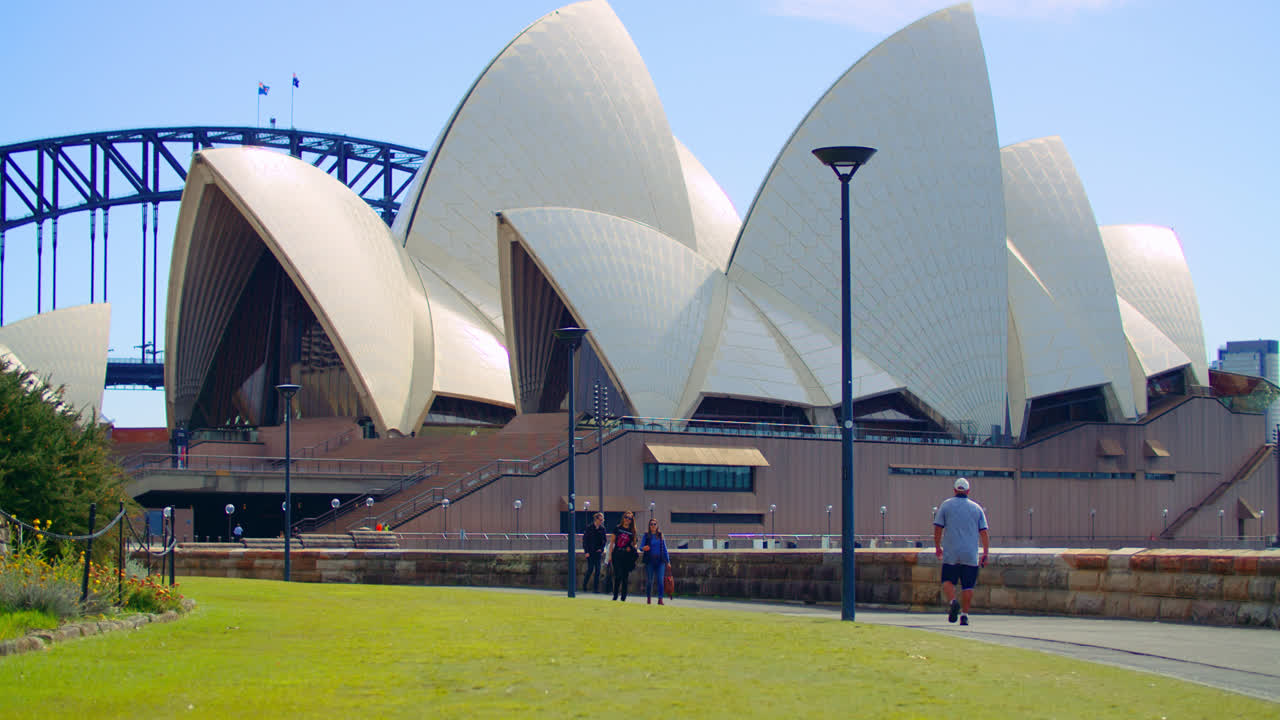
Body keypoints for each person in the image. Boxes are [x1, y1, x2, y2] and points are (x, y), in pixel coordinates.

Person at [933, 477, 990, 626]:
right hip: (970, 553)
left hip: (951, 552)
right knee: (968, 586)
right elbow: (983, 532)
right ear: (968, 491)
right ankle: (964, 615)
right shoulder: (976, 508)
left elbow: (938, 528)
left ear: (954, 490)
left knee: (947, 581)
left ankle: (953, 602)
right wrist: (985, 553)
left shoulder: (946, 505)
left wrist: (938, 546)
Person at [607, 510, 639, 601]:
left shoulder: (632, 531)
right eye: (626, 517)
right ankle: (615, 595)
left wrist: (633, 548)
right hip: (617, 553)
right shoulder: (617, 528)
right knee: (617, 576)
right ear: (623, 518)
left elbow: (635, 543)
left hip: (626, 555)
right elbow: (612, 542)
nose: (627, 520)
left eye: (629, 518)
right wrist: (609, 555)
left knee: (625, 576)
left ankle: (623, 597)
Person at [640, 518, 671, 605]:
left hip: (660, 560)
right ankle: (649, 598)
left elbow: (665, 549)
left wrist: (668, 561)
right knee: (650, 580)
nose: (653, 526)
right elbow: (641, 547)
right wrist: (643, 548)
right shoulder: (646, 535)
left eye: (654, 524)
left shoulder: (660, 535)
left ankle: (660, 599)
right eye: (651, 524)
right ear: (649, 526)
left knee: (660, 580)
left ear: (657, 526)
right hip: (650, 560)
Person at [582, 512, 607, 593]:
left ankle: (595, 589)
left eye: (602, 520)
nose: (601, 521)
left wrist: (601, 549)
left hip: (598, 552)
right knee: (590, 569)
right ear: (596, 519)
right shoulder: (589, 528)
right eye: (600, 520)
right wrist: (586, 552)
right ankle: (584, 586)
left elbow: (604, 540)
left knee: (598, 570)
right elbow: (585, 540)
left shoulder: (602, 529)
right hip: (590, 552)